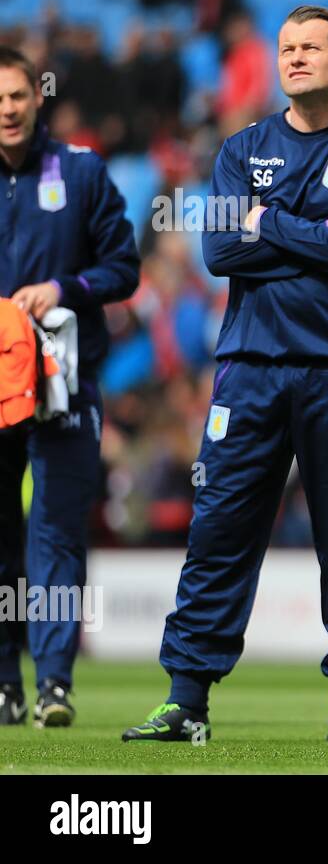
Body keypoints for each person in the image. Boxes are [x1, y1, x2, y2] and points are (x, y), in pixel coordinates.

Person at [122, 6, 328, 745]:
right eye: (286, 47)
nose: (296, 57)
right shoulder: (240, 147)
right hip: (249, 365)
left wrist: (266, 224)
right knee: (219, 528)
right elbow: (220, 251)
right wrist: (323, 230)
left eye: (313, 47)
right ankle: (186, 700)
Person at [0, 47, 140, 728]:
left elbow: (124, 267)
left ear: (38, 98)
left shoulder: (79, 172)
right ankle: (4, 685)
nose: (6, 108)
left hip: (64, 388)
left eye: (17, 95)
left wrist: (62, 288)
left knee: (53, 534)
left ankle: (53, 682)